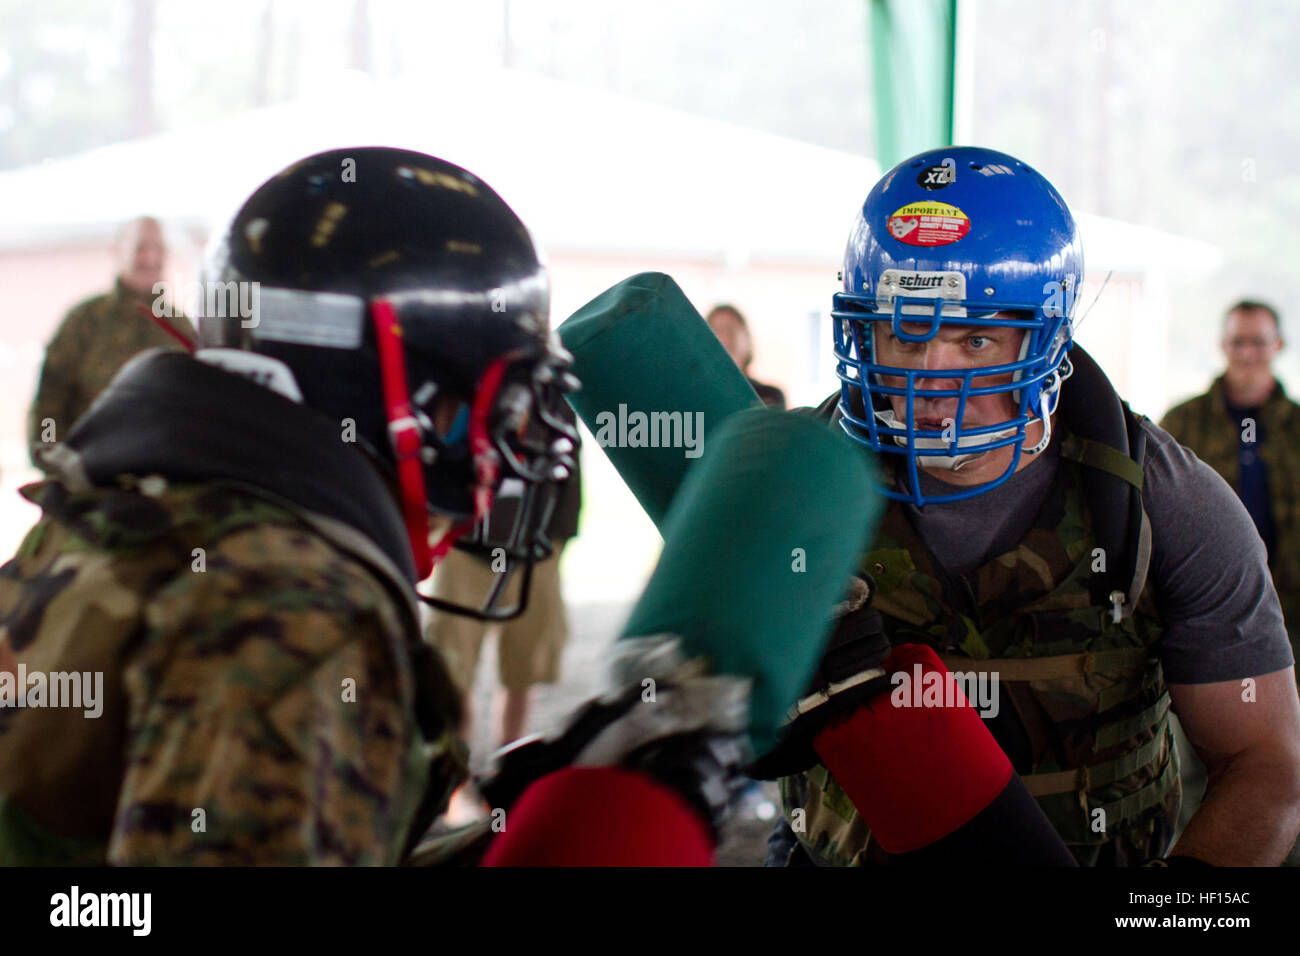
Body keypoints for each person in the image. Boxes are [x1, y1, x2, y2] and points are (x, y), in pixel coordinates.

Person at [0, 148, 582, 864]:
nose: (512, 437)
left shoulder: (128, 513)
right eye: (500, 398)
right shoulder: (298, 615)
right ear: (396, 390)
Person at [772, 145, 1300, 867]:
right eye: (904, 331)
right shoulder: (785, 486)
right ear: (863, 329)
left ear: (1047, 339)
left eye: (977, 338)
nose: (930, 378)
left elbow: (1265, 765)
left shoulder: (1168, 506)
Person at [424, 405, 581, 756]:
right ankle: (456, 777)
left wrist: (557, 540)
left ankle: (507, 759)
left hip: (534, 546)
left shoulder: (549, 391)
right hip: (468, 545)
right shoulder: (468, 381)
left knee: (524, 666)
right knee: (453, 667)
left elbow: (569, 465)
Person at [1160, 301, 1300, 660]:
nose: (1248, 353)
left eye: (1258, 341)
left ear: (1278, 345)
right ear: (1223, 345)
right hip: (1205, 609)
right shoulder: (1182, 424)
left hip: (1293, 611)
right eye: (1238, 342)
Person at [28, 216, 195, 466]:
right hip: (90, 485)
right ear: (118, 252)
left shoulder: (180, 327)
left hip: (164, 487)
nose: (151, 258)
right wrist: (52, 458)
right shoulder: (85, 320)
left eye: (158, 249)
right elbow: (48, 409)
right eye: (140, 248)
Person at [705, 303, 787, 408]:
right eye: (718, 330)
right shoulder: (699, 396)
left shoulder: (770, 396)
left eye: (732, 330)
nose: (726, 338)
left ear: (747, 339)